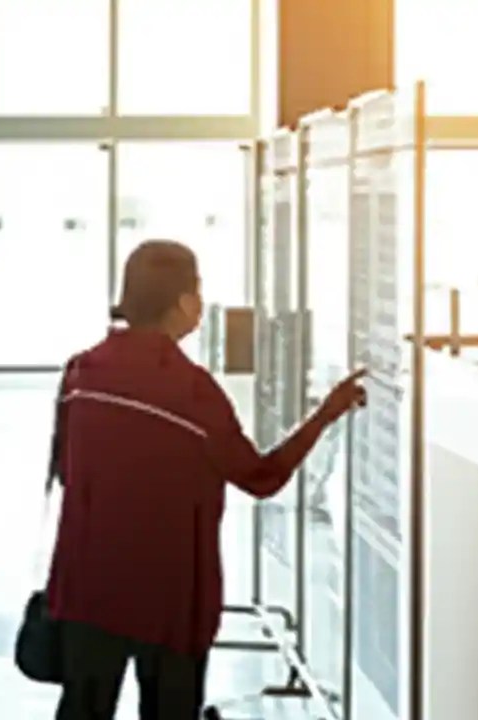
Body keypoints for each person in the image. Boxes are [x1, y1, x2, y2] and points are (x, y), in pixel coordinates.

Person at [46, 239, 366, 719]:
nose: (201, 301)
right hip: (169, 596)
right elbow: (262, 477)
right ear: (182, 302)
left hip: (88, 588)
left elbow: (67, 473)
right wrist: (326, 414)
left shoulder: (80, 374)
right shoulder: (192, 391)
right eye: (197, 289)